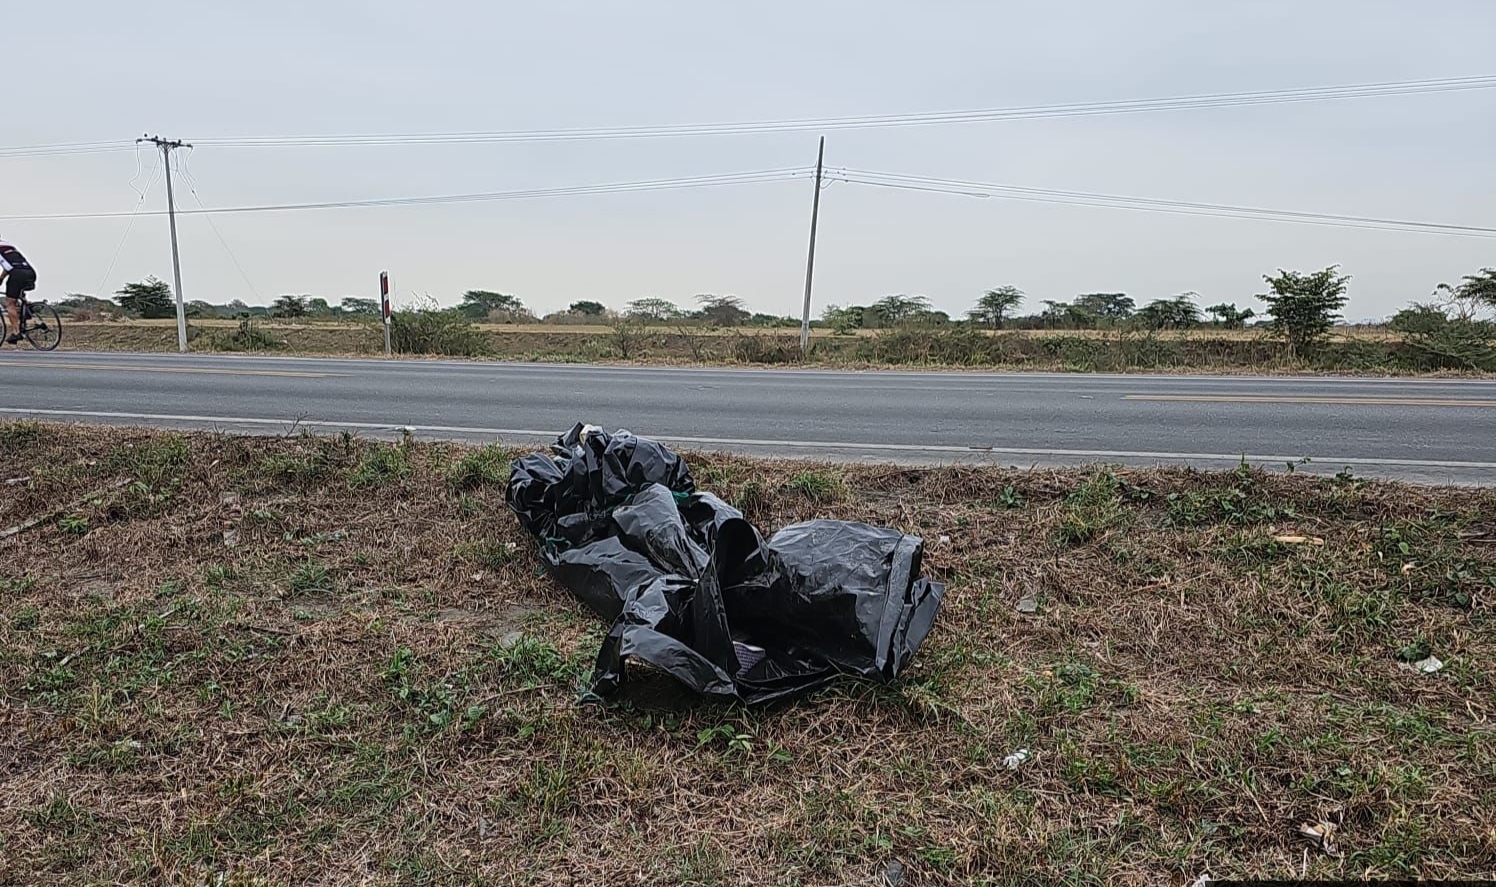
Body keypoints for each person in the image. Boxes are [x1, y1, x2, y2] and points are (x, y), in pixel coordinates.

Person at [0, 237, 37, 345]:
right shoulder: (7, 245)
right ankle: (26, 308)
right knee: (18, 294)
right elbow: (8, 265)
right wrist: (1, 278)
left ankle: (16, 332)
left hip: (17, 274)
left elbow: (9, 267)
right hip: (30, 272)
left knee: (9, 303)